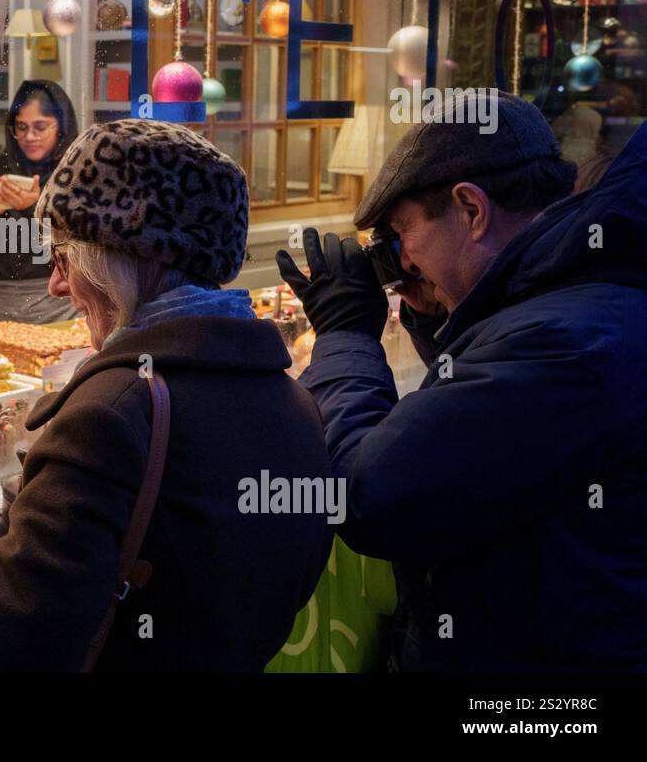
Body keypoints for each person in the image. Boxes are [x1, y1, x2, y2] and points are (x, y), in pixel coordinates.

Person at [0, 120, 334, 671]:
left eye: (63, 256)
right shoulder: (296, 403)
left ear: (119, 259)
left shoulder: (112, 415)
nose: (57, 284)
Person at [276, 93, 647, 671]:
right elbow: (477, 416)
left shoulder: (563, 346)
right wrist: (436, 312)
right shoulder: (581, 300)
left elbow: (372, 495)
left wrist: (346, 335)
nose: (405, 262)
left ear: (471, 209)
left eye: (404, 235)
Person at [0, 79, 79, 323]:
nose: (29, 137)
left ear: (61, 127)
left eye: (40, 127)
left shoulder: (77, 169)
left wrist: (33, 210)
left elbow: (83, 251)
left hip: (59, 305)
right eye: (21, 127)